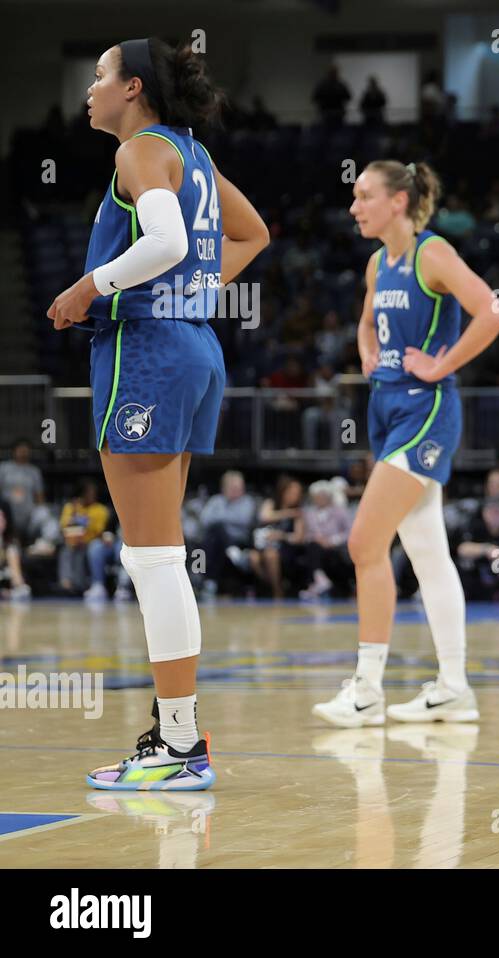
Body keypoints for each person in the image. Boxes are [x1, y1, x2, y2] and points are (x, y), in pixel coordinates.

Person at [46, 36, 269, 789]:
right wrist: (194, 293)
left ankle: (179, 744)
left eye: (100, 76)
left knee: (151, 558)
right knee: (159, 554)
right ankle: (177, 737)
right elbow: (251, 233)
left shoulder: (140, 150)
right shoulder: (193, 154)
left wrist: (92, 287)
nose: (90, 89)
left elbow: (169, 240)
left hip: (146, 352)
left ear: (133, 87)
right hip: (194, 345)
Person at [310, 159, 499, 729]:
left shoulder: (432, 254)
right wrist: (365, 341)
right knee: (427, 554)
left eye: (365, 195)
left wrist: (442, 362)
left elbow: (492, 313)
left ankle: (367, 689)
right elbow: (366, 320)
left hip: (427, 411)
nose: (355, 206)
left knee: (364, 543)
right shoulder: (377, 263)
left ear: (398, 201)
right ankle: (453, 688)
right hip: (386, 409)